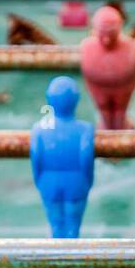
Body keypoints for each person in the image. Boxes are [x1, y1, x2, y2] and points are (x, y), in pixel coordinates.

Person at [31, 76, 95, 238]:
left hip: (49, 182)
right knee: (74, 225)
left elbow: (36, 158)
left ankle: (56, 258)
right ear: (76, 100)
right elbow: (86, 160)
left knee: (55, 224)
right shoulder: (85, 129)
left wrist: (40, 181)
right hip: (76, 182)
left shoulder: (39, 129)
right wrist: (87, 182)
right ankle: (72, 259)